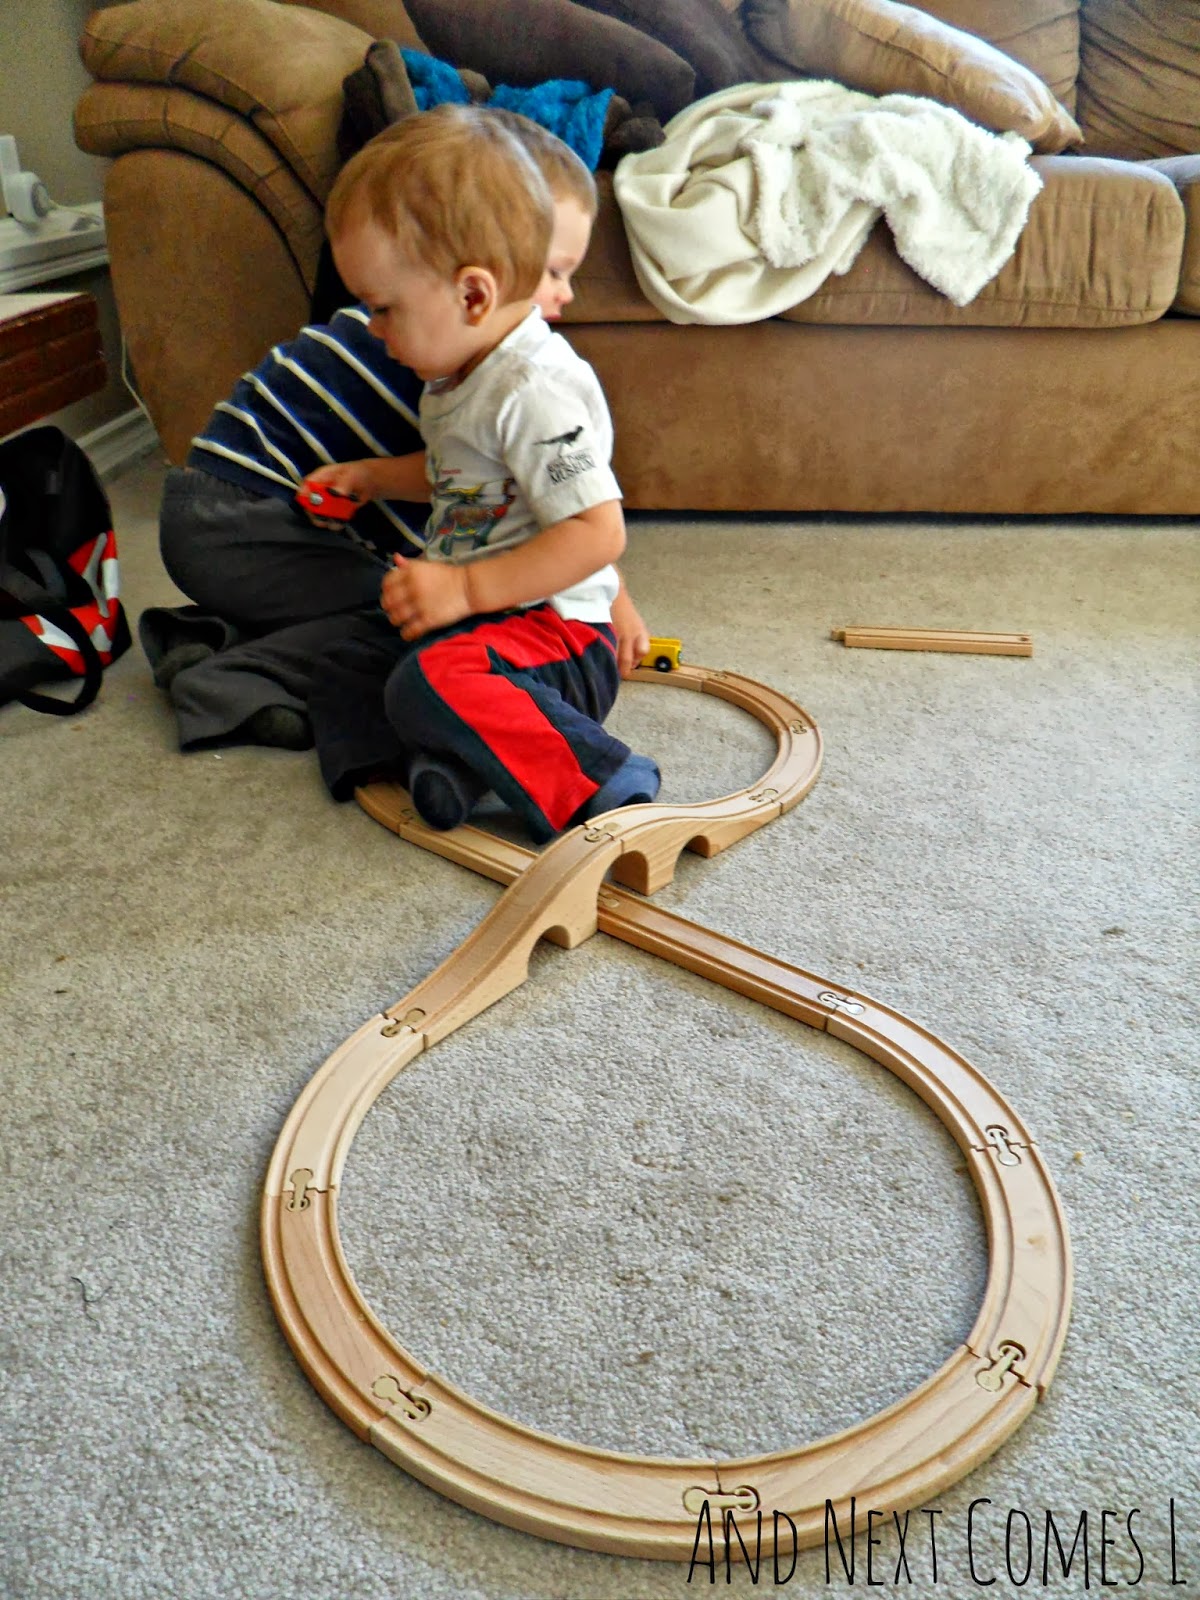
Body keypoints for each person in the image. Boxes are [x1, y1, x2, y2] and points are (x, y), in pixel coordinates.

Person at [140, 115, 650, 752]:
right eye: (548, 268)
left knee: (422, 595)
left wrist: (608, 601)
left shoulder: (444, 333)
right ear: (476, 276)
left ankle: (208, 635)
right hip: (242, 513)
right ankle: (238, 682)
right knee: (410, 611)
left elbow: (549, 502)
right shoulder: (446, 351)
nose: (559, 295)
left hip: (225, 510)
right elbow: (535, 507)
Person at [307, 103, 660, 842]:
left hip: (557, 641)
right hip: (489, 623)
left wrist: (465, 587)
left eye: (382, 309)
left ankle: (603, 776)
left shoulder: (532, 388)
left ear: (473, 294)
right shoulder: (458, 373)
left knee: (428, 681)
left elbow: (598, 532)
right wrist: (374, 477)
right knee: (348, 657)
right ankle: (439, 766)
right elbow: (457, 480)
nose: (372, 329)